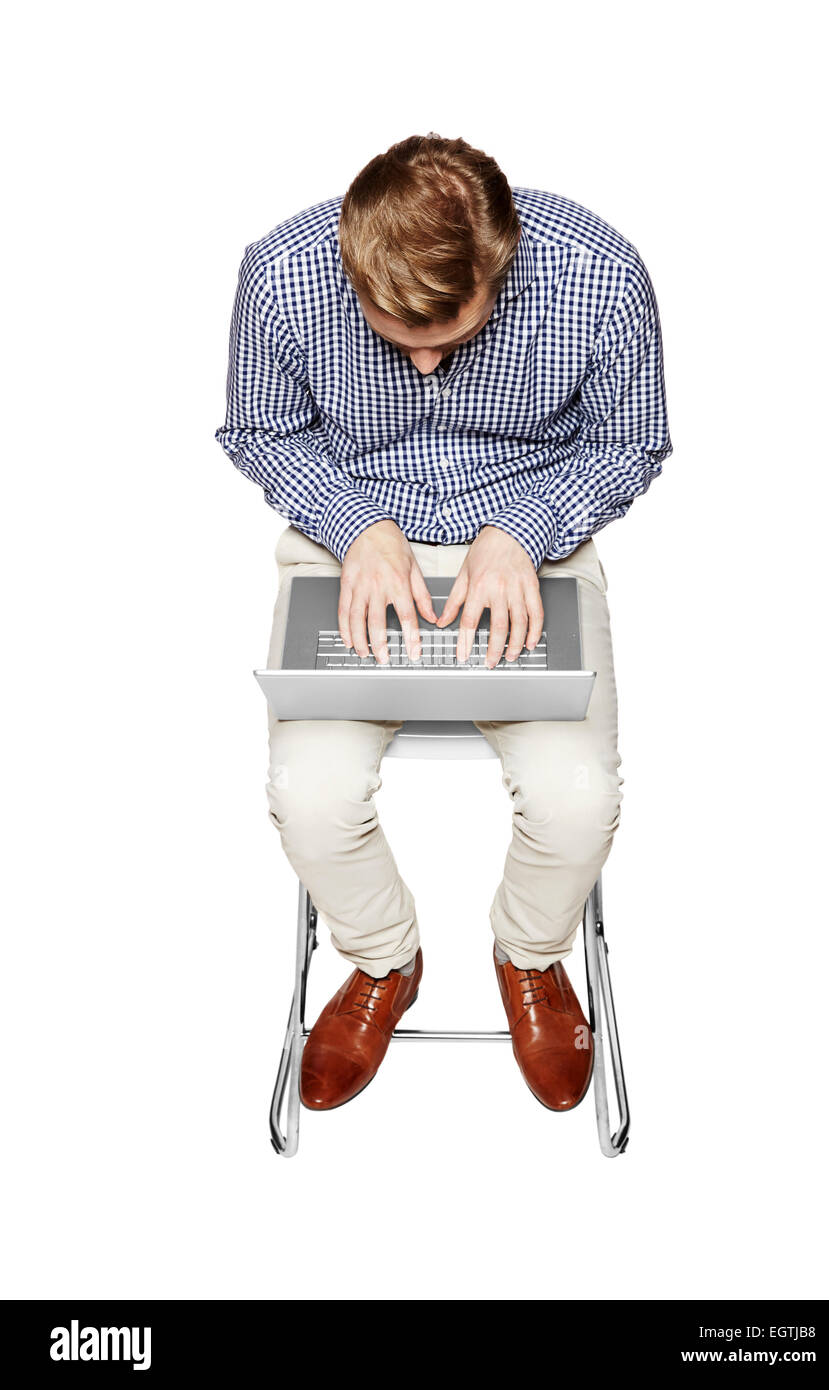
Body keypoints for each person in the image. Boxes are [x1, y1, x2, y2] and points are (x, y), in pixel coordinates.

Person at [214, 133, 672, 1114]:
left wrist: (525, 529)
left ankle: (530, 954)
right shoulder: (282, 274)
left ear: (499, 267)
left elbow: (630, 441)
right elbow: (259, 430)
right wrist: (352, 523)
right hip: (347, 539)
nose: (424, 362)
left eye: (450, 335)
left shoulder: (598, 275)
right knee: (308, 796)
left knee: (577, 801)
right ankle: (384, 959)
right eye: (396, 337)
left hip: (535, 542)